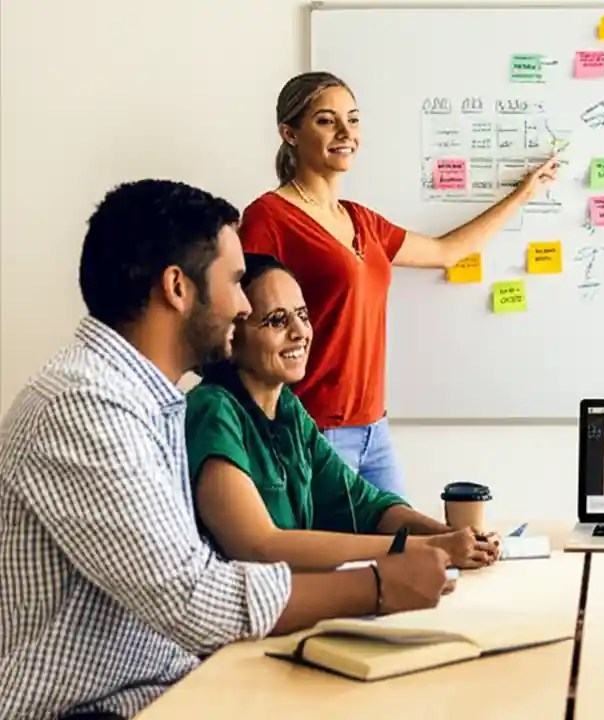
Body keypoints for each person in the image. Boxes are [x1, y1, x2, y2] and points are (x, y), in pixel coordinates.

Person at [0, 180, 453, 720]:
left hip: (168, 685)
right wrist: (377, 585)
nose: (243, 305)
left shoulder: (148, 401)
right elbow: (194, 599)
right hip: (92, 710)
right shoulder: (86, 405)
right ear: (177, 287)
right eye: (237, 283)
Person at [238, 71, 561, 495]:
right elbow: (242, 325)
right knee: (343, 560)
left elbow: (447, 253)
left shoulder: (362, 221)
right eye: (325, 120)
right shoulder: (269, 217)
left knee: (407, 550)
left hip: (374, 429)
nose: (345, 133)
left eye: (353, 120)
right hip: (313, 428)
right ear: (290, 133)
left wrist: (523, 194)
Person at [185, 253, 498, 572]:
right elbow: (260, 546)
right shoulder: (212, 409)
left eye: (302, 315)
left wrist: (456, 537)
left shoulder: (288, 410)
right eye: (277, 320)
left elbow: (367, 508)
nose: (300, 332)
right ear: (231, 336)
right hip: (248, 616)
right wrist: (427, 547)